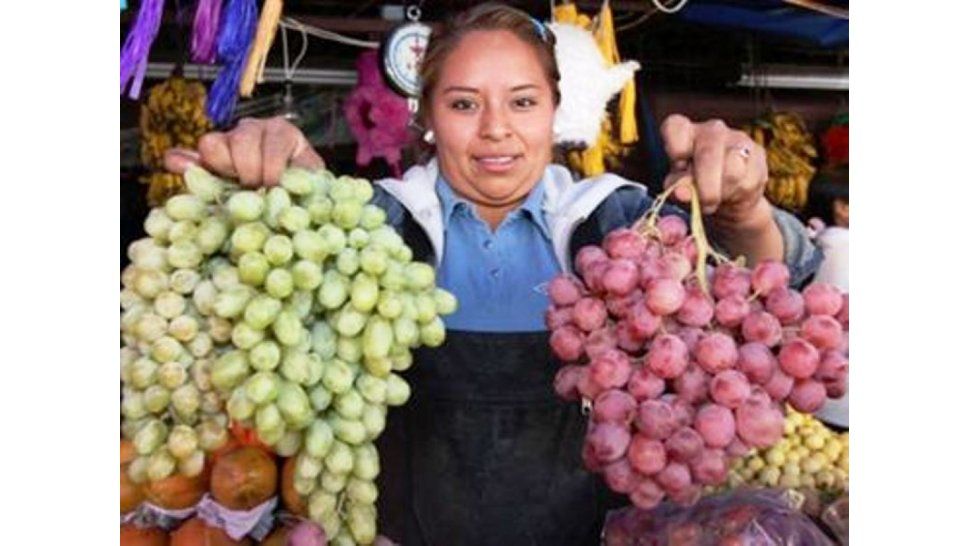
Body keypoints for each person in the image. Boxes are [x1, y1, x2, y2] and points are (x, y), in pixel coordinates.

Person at [165, 4, 822, 544]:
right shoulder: (376, 229)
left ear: (554, 113)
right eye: (463, 105)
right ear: (425, 119)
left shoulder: (613, 225)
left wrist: (742, 203)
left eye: (523, 102)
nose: (497, 132)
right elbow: (295, 287)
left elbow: (767, 277)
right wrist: (291, 193)